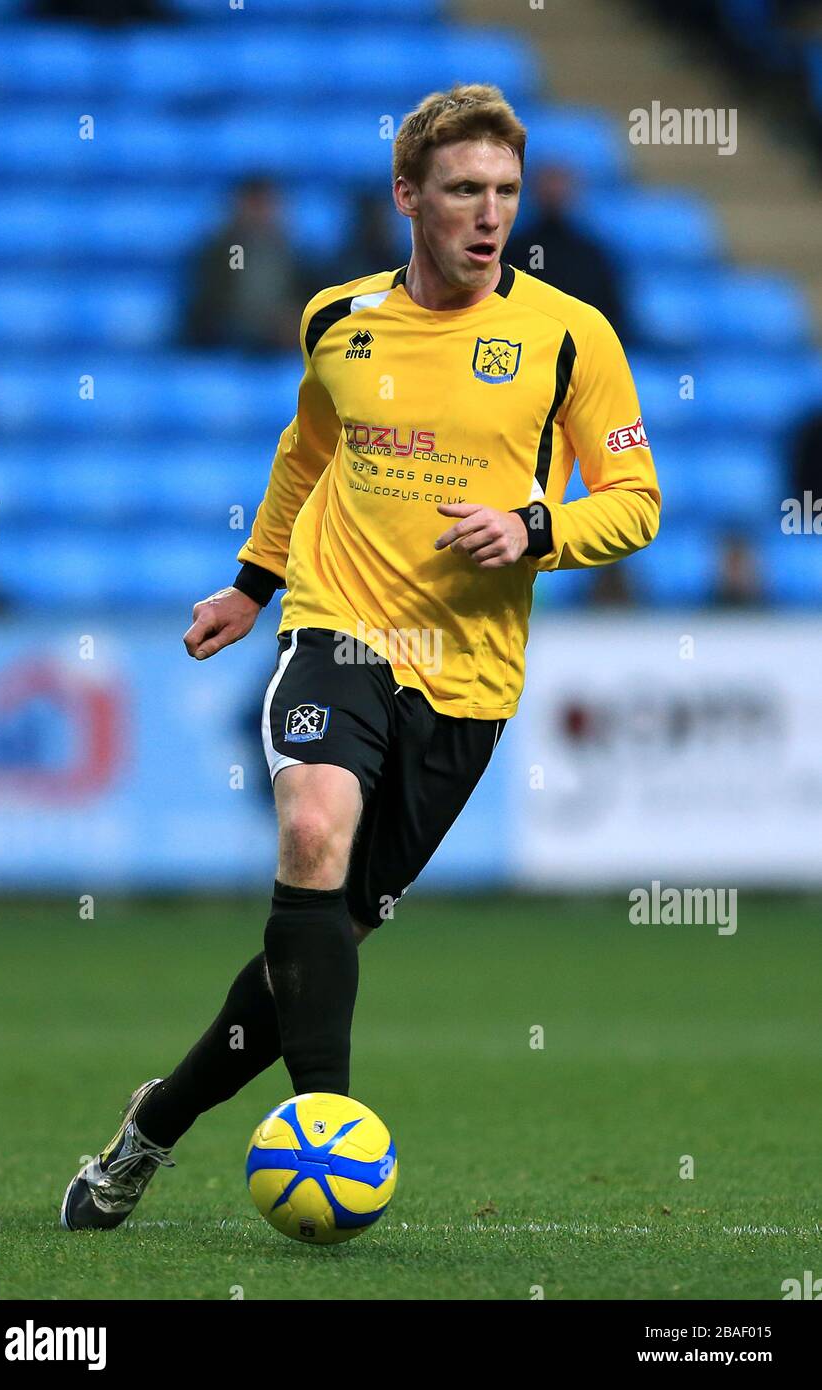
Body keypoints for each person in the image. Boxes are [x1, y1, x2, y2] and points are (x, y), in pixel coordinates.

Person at [61, 83, 660, 1231]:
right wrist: (253, 582)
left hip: (469, 679)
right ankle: (327, 1133)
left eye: (503, 192)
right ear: (408, 198)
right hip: (336, 625)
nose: (488, 216)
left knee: (321, 943)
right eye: (462, 192)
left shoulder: (570, 335)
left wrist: (539, 530)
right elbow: (305, 451)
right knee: (310, 830)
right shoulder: (336, 318)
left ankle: (152, 1127)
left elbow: (636, 503)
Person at [181, 177, 309, 354]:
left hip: (284, 343)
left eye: (266, 206)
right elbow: (214, 305)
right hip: (232, 340)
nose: (261, 214)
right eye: (254, 205)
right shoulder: (226, 252)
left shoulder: (295, 254)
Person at [504, 164, 628, 343]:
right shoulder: (514, 250)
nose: (554, 192)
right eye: (548, 184)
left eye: (560, 184)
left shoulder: (592, 254)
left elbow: (612, 315)